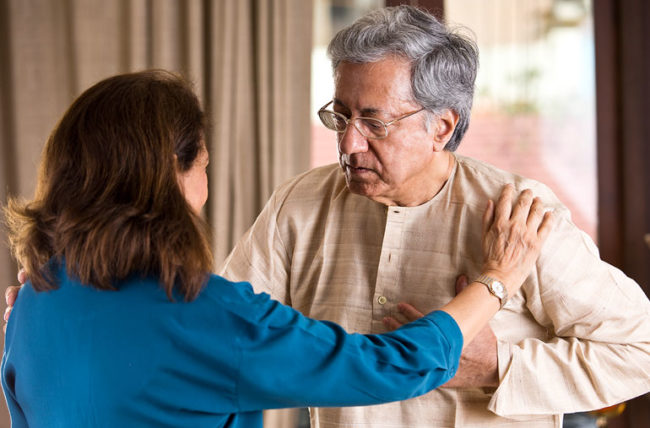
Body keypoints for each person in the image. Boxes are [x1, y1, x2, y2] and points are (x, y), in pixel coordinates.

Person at [0, 70, 552, 427]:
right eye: (205, 166)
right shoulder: (207, 317)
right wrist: (497, 279)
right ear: (173, 173)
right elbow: (392, 365)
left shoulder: (29, 307)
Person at [217, 5, 650, 428]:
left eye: (374, 123)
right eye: (342, 115)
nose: (349, 143)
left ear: (441, 128)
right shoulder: (298, 204)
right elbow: (225, 333)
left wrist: (496, 366)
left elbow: (640, 350)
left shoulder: (519, 214)